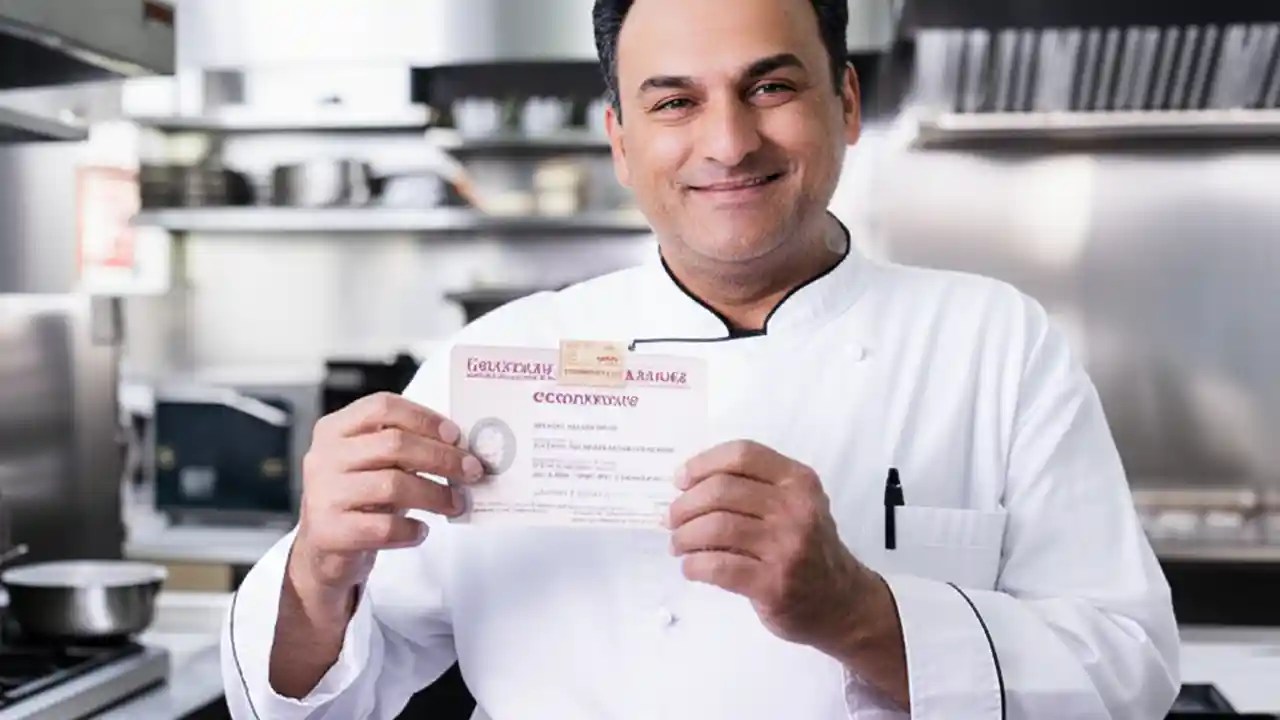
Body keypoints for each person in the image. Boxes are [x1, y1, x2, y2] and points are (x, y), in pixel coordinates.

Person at [221, 0, 1180, 717]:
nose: (728, 141)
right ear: (622, 142)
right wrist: (316, 569)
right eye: (674, 101)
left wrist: (857, 611)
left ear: (845, 102)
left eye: (771, 86)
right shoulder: (499, 360)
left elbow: (1126, 673)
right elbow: (322, 697)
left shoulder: (993, 345)